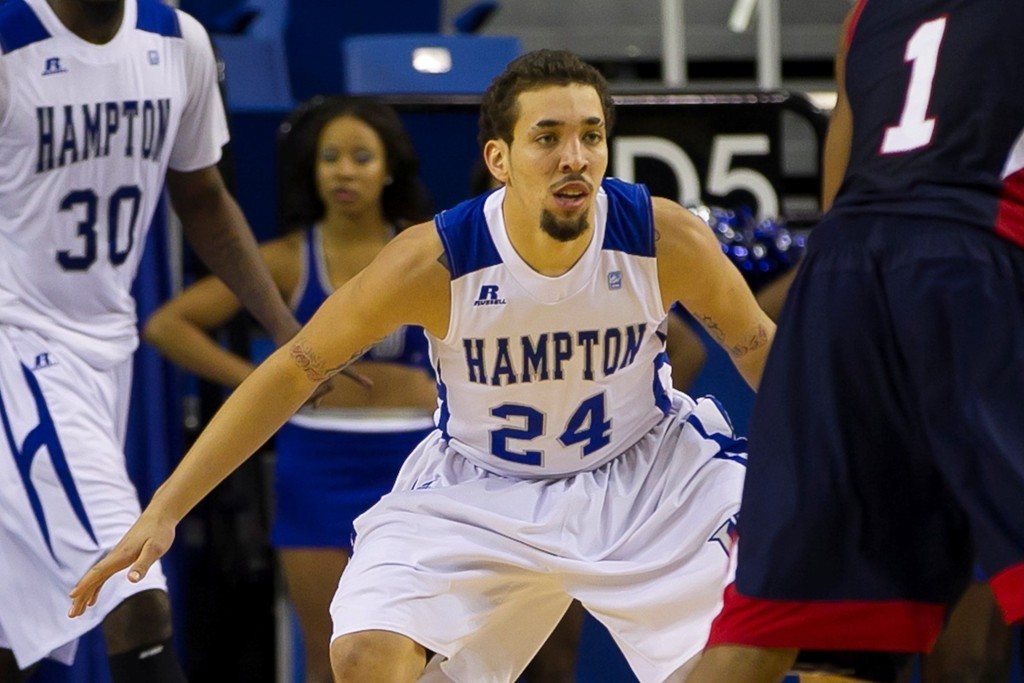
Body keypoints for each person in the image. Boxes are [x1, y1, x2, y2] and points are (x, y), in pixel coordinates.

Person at [70, 49, 776, 682]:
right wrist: (165, 509)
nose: (575, 157)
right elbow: (294, 369)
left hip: (644, 479)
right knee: (363, 656)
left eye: (591, 136)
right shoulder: (435, 260)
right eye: (548, 137)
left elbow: (756, 348)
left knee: (747, 650)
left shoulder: (661, 236)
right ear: (499, 159)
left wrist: (833, 461)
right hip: (483, 485)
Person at [0, 0, 339, 680]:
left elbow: (203, 196)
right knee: (135, 587)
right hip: (19, 346)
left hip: (106, 350)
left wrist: (286, 329)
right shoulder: (11, 40)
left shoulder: (177, 40)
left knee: (18, 624)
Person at [688, 1, 1024, 681]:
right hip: (971, 262)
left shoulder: (866, 13)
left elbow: (838, 198)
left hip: (840, 280)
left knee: (792, 626)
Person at [142, 95, 437, 683]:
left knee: (428, 655)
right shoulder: (287, 258)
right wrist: (263, 381)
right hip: (317, 464)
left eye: (361, 157)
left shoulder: (425, 250)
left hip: (416, 463)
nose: (344, 171)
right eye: (330, 157)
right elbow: (166, 325)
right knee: (328, 653)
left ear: (389, 169)